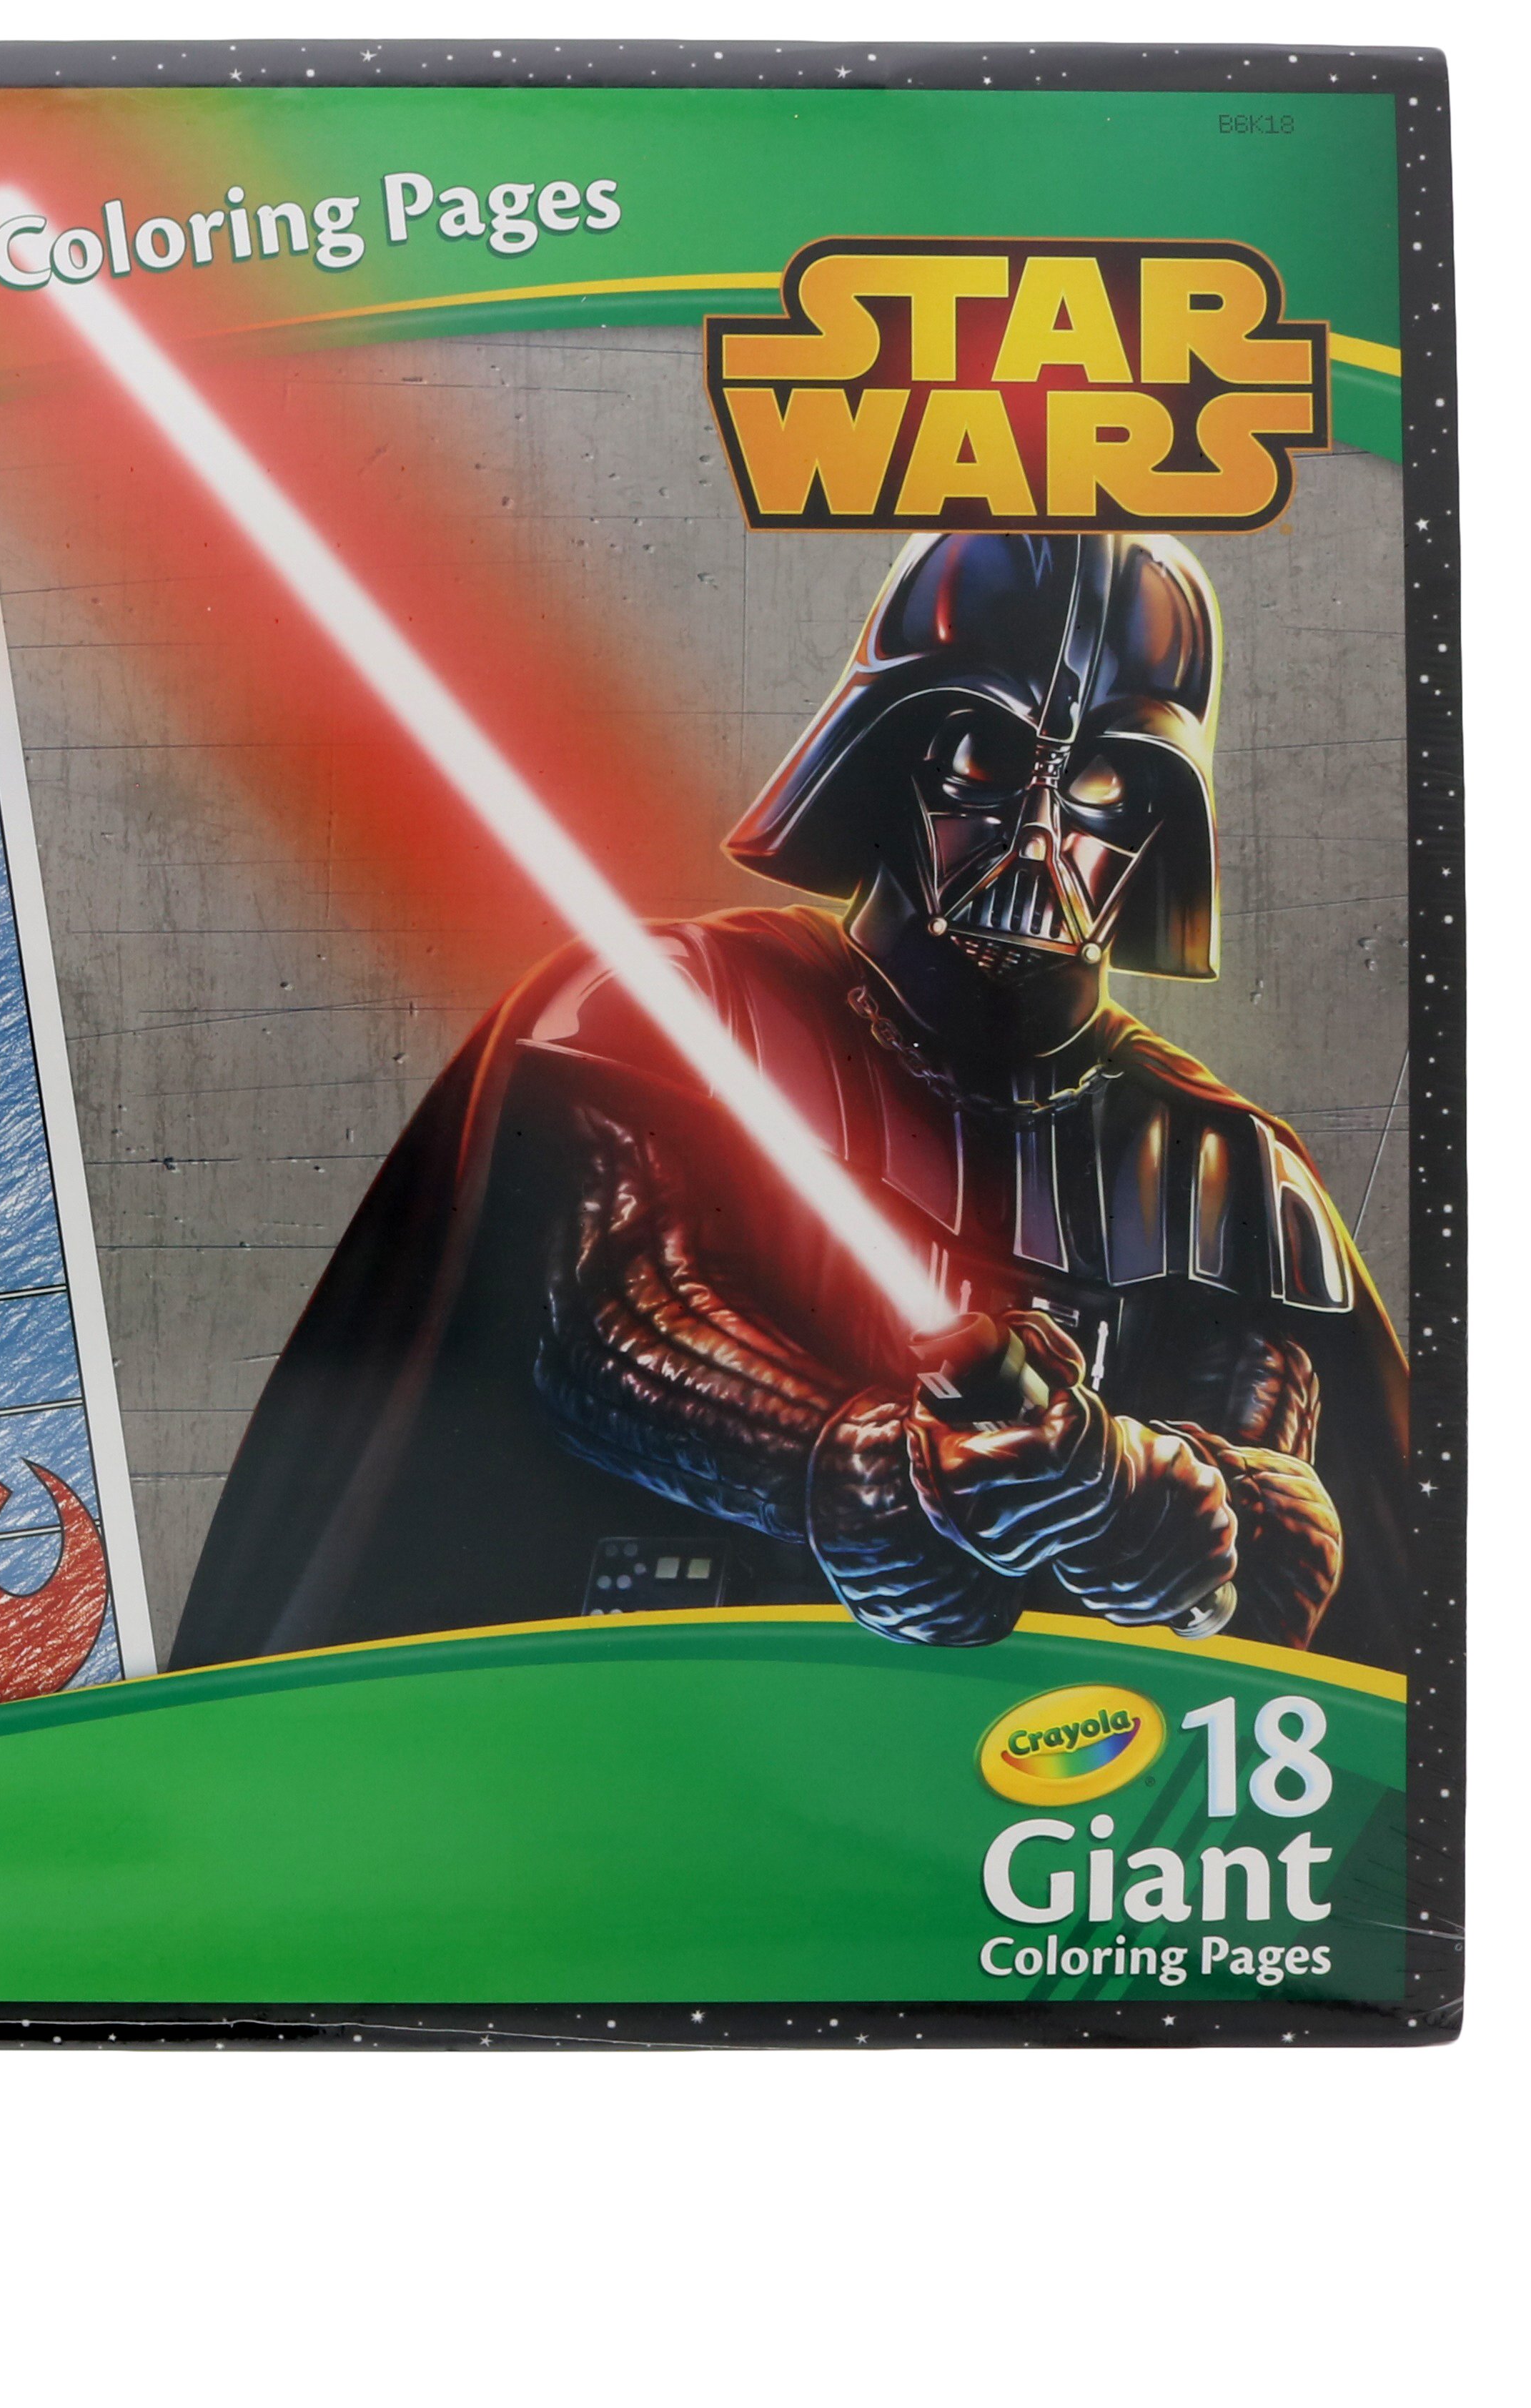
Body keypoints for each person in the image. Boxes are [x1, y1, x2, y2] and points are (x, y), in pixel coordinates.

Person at [172, 532, 1409, 1677]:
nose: (1035, 837)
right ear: (883, 753)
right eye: (982, 757)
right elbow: (613, 1317)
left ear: (1158, 817)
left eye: (1098, 783)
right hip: (678, 1713)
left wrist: (1173, 1500)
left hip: (1058, 1774)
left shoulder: (1220, 1161)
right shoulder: (682, 1005)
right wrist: (852, 1463)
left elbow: (1292, 1497)